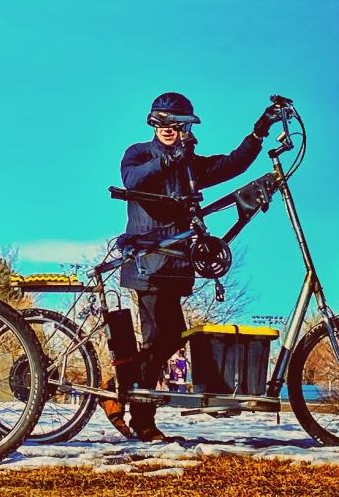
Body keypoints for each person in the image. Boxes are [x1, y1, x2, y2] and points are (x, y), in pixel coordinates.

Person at [99, 91, 281, 442]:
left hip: (177, 264)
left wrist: (259, 132)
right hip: (147, 260)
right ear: (153, 124)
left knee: (171, 336)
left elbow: (232, 164)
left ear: (185, 127)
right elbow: (134, 181)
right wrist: (171, 159)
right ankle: (143, 420)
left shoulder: (190, 164)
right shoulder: (137, 153)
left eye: (177, 124)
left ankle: (120, 385)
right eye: (163, 123)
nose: (169, 129)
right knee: (157, 337)